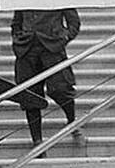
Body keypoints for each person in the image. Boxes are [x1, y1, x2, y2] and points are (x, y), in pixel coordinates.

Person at [11, 8, 82, 152]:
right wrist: (18, 36)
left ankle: (72, 122)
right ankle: (37, 141)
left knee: (61, 89)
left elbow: (74, 22)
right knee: (30, 96)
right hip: (27, 49)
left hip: (53, 48)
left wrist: (65, 37)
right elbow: (16, 21)